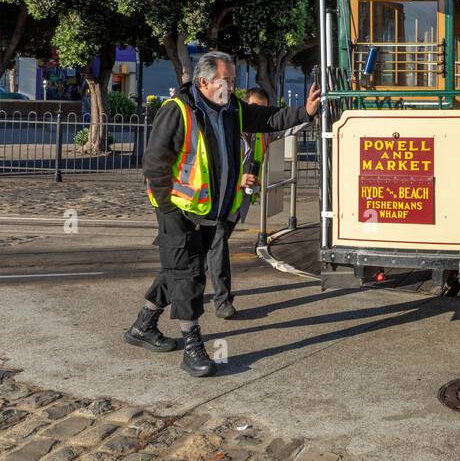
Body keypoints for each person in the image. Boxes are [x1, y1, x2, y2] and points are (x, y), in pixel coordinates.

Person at [125, 52, 320, 377]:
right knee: (188, 275)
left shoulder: (231, 110)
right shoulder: (178, 112)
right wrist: (168, 209)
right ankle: (192, 347)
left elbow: (267, 118)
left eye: (232, 80)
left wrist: (305, 112)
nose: (232, 86)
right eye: (225, 81)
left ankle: (143, 325)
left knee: (178, 268)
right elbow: (155, 165)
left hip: (210, 212)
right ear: (203, 82)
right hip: (178, 211)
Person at [204, 86, 271, 320]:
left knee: (206, 249)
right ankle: (222, 300)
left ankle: (181, 284)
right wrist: (237, 179)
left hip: (238, 202)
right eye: (253, 109)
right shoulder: (228, 128)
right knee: (218, 248)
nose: (258, 115)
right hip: (219, 200)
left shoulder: (261, 134)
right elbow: (213, 166)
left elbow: (288, 126)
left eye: (262, 111)